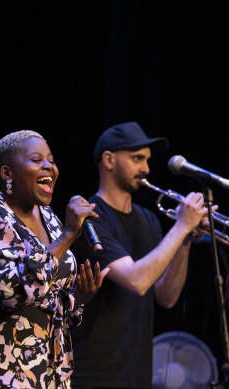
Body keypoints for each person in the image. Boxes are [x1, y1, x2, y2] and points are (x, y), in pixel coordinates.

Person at [0, 130, 109, 389]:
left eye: (51, 160)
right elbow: (9, 293)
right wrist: (68, 235)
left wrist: (81, 297)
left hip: (46, 367)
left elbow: (49, 300)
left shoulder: (50, 218)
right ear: (7, 173)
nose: (49, 166)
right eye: (36, 160)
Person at [70, 121, 210, 388]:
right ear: (109, 160)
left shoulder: (149, 220)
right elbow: (137, 281)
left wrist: (186, 238)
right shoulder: (89, 217)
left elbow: (166, 297)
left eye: (146, 160)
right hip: (93, 375)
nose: (146, 169)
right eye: (137, 159)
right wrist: (181, 226)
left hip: (137, 374)